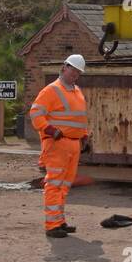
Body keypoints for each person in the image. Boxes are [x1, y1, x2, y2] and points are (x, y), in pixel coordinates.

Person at [29, 54, 90, 238]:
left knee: (64, 185)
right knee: (54, 184)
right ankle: (52, 225)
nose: (75, 75)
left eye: (79, 73)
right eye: (74, 71)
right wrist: (49, 130)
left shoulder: (76, 90)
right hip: (57, 144)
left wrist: (84, 136)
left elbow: (79, 117)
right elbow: (35, 113)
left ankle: (59, 222)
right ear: (65, 67)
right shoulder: (51, 90)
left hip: (73, 145)